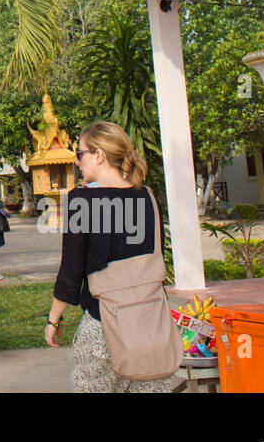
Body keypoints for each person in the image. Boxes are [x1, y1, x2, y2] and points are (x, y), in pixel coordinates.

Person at [45, 121, 173, 393]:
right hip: (151, 328)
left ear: (99, 155)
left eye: (80, 154)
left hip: (104, 327)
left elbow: (71, 271)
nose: (77, 163)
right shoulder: (148, 197)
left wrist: (54, 320)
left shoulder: (82, 201)